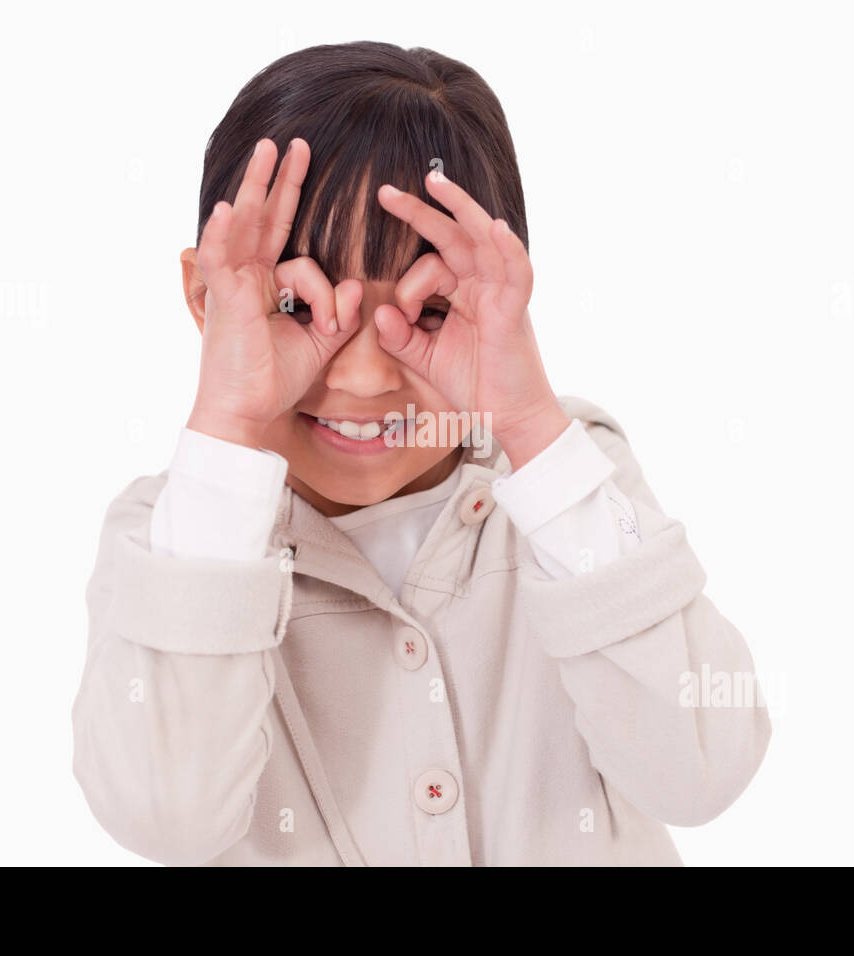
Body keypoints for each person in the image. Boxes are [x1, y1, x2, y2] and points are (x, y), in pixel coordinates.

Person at [70, 40, 771, 866]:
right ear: (206, 297)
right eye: (298, 304)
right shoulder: (178, 535)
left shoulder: (571, 478)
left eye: (429, 310)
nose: (365, 377)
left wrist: (530, 424)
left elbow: (702, 775)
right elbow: (167, 821)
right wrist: (227, 416)